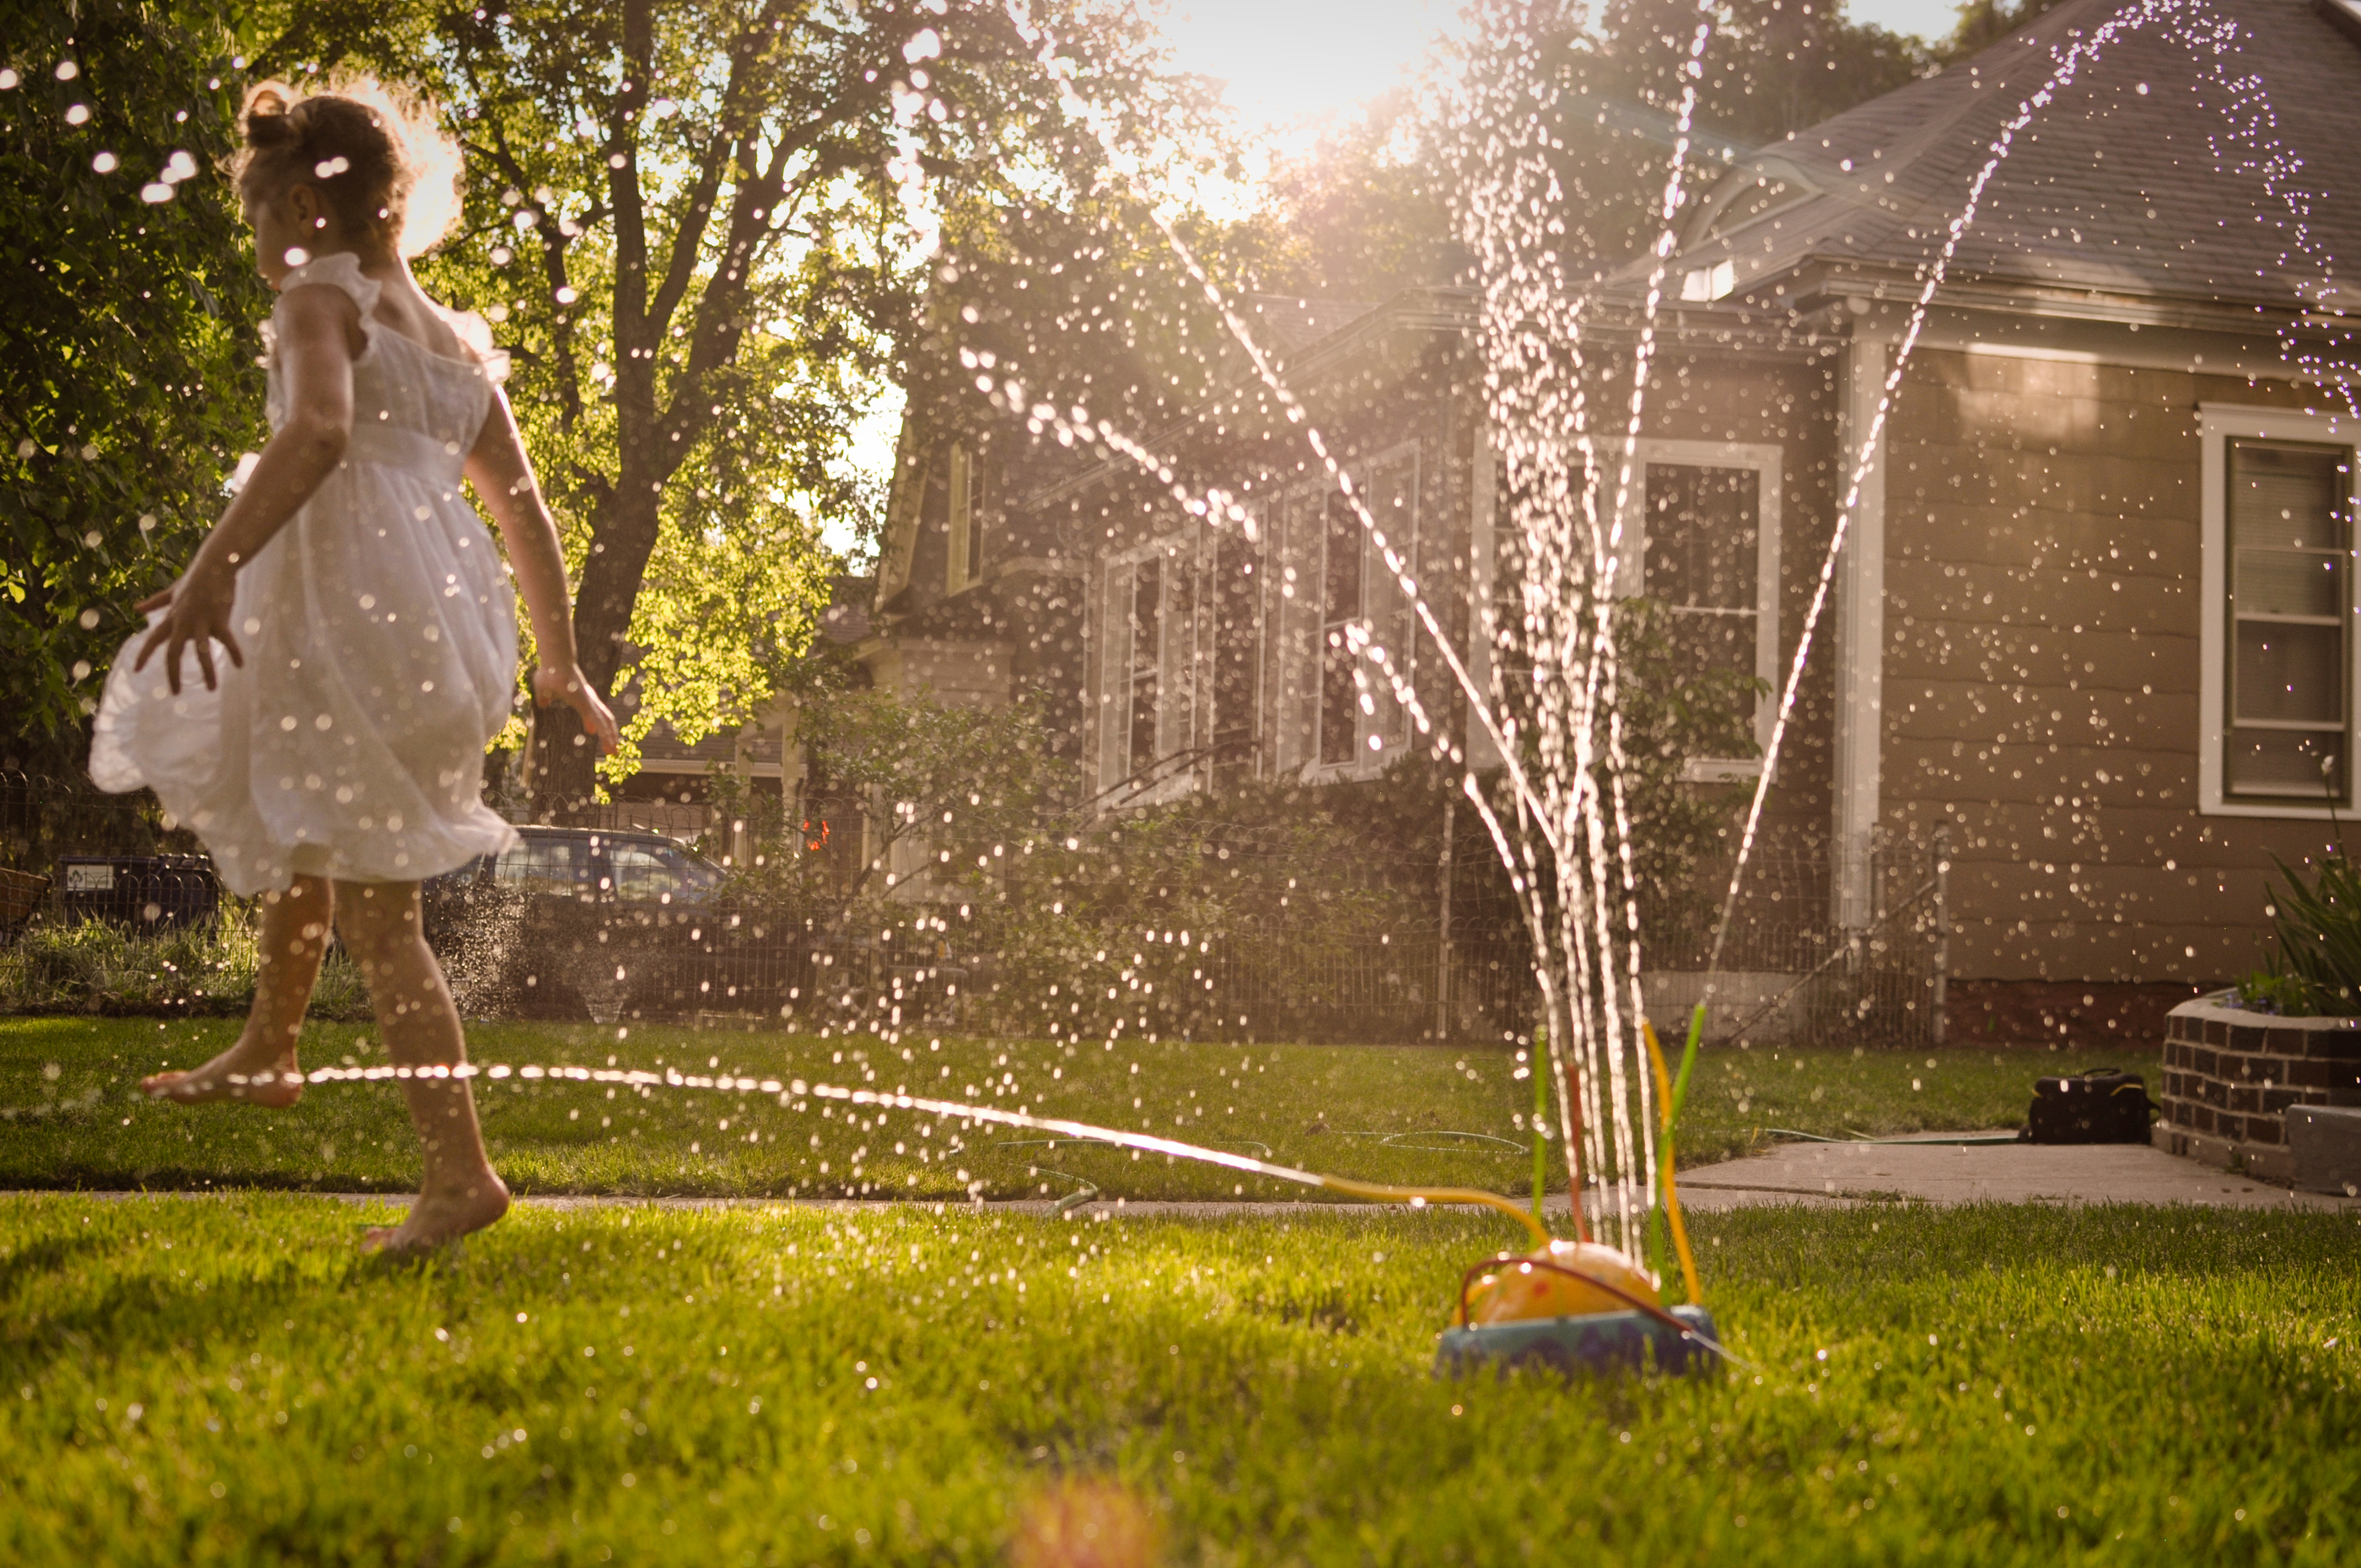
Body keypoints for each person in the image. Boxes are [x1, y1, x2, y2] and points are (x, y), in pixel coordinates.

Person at [89, 78, 619, 1255]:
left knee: (385, 919)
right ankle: (271, 1049)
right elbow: (525, 512)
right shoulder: (454, 346)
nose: (264, 245)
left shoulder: (322, 299)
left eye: (264, 215)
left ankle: (458, 1174)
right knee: (311, 824)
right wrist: (558, 667)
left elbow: (319, 434)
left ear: (306, 209)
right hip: (432, 627)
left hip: (349, 617)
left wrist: (217, 567)